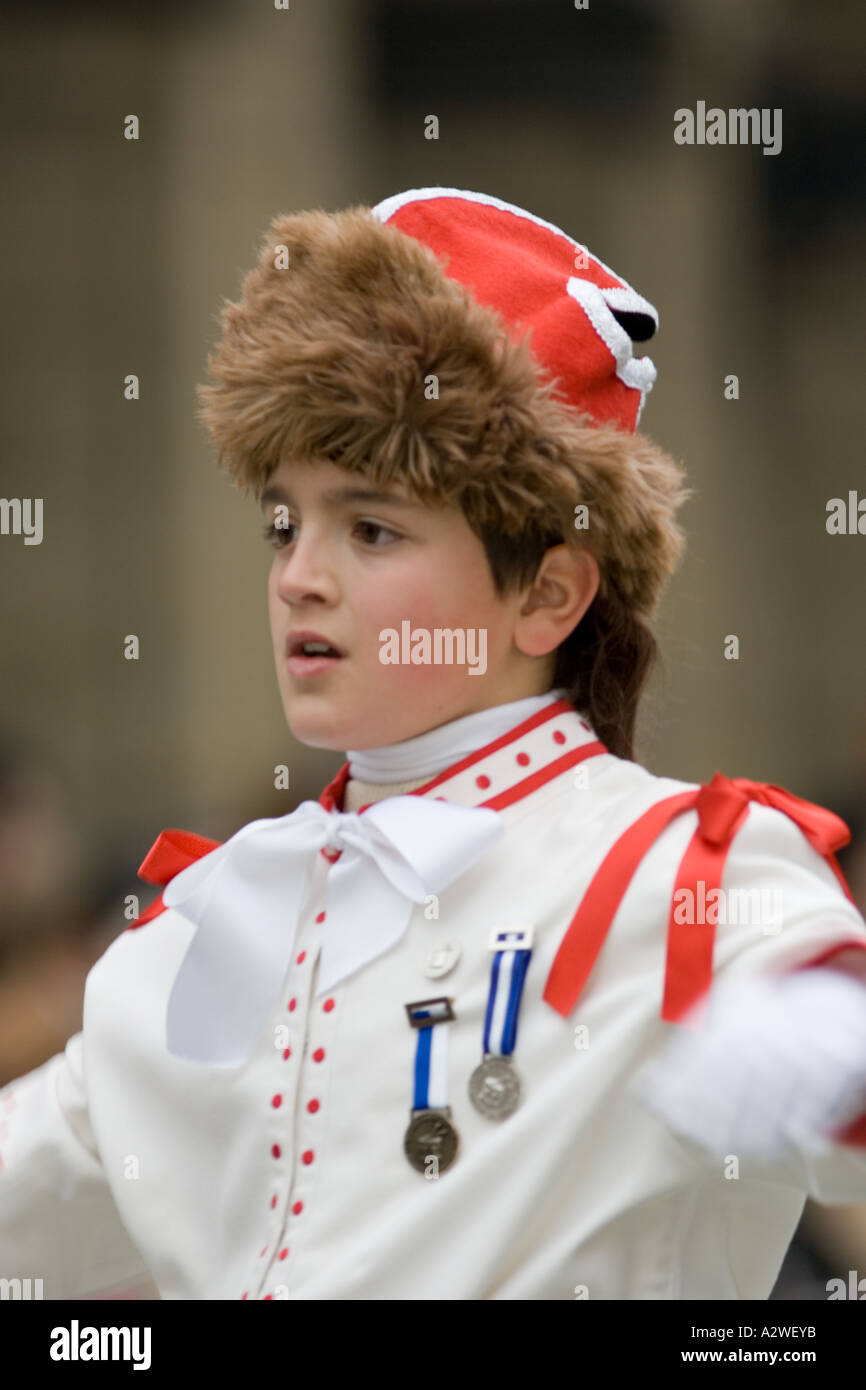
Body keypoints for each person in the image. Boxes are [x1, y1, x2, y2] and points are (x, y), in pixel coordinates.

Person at [2, 187, 865, 1301]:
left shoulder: (678, 870)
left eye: (370, 527)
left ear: (547, 593)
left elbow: (824, 1016)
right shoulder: (207, 931)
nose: (298, 576)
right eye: (283, 521)